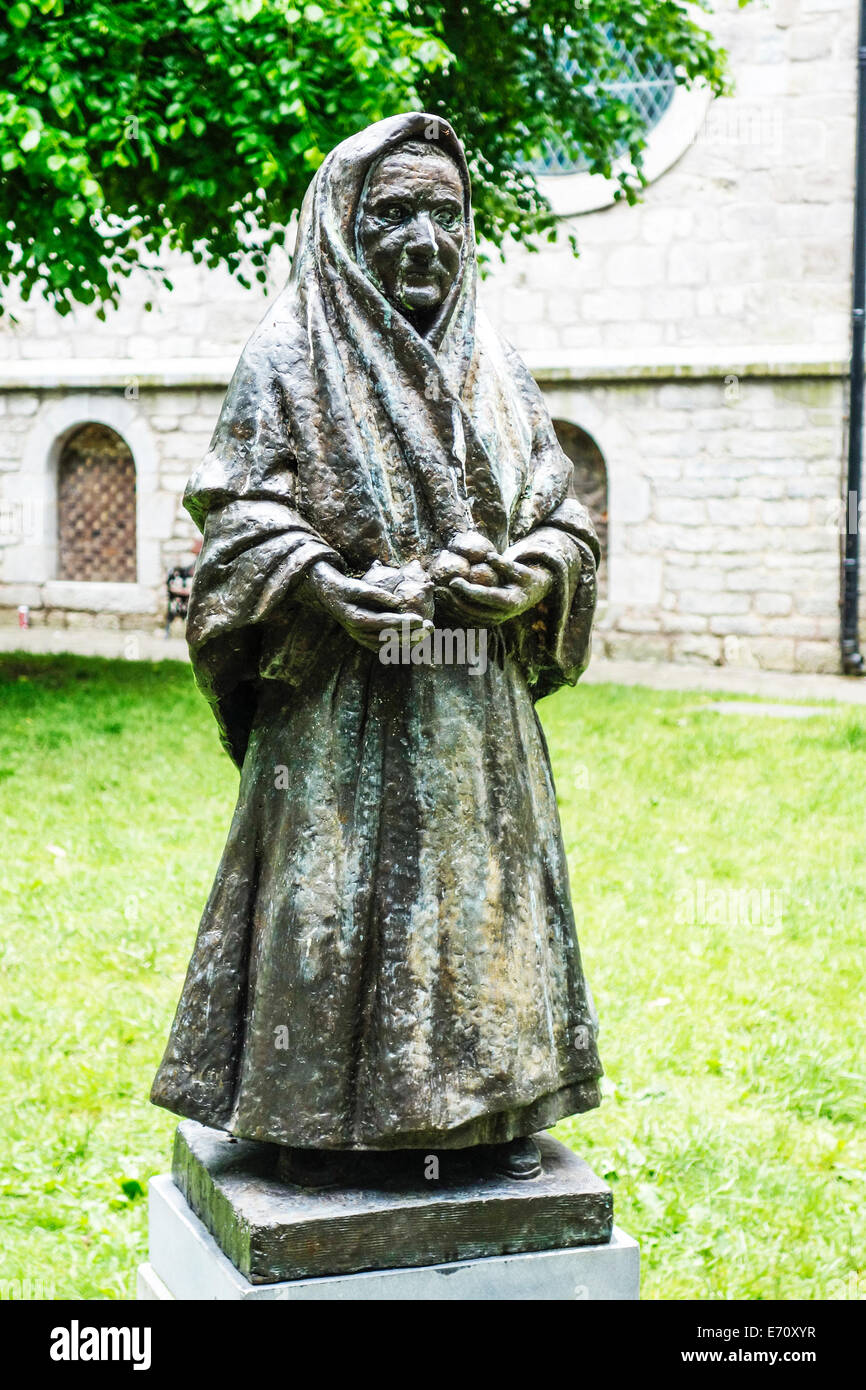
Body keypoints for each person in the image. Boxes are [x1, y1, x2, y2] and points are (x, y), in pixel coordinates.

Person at [151, 112, 602, 1182]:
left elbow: (560, 511)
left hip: (471, 712)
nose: (422, 239)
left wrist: (530, 573)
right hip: (339, 716)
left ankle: (489, 1113)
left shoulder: (494, 359)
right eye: (393, 212)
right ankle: (310, 1115)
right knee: (332, 907)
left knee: (479, 900)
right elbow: (238, 517)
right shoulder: (288, 353)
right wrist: (323, 584)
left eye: (444, 214)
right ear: (343, 221)